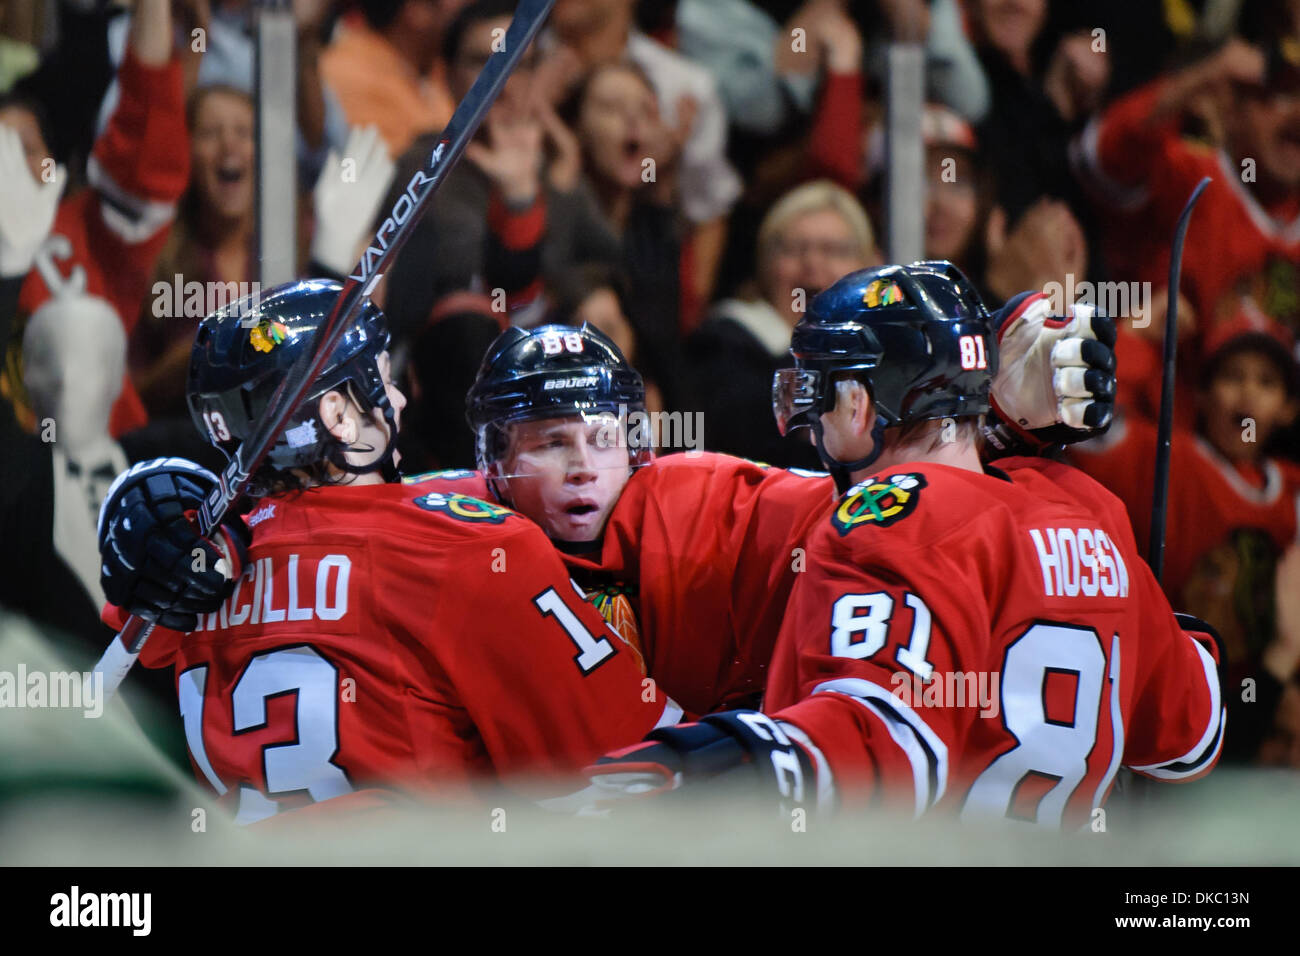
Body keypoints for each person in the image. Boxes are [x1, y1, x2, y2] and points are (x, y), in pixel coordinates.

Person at [104, 281, 1121, 726]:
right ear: (491, 459)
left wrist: (983, 420)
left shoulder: (708, 496)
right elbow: (258, 550)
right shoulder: (444, 527)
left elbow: (899, 495)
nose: (586, 468)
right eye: (548, 444)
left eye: (604, 438)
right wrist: (171, 513)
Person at [586, 262, 1224, 829]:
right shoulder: (1089, 512)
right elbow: (1194, 733)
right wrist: (1167, 628)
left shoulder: (888, 518)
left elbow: (886, 746)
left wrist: (742, 759)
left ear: (860, 404)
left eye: (819, 391)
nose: (809, 424)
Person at [97, 279, 675, 822]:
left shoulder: (189, 568)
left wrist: (143, 502)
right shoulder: (470, 549)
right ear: (338, 416)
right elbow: (639, 759)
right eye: (379, 378)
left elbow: (129, 630)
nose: (396, 399)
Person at [1069, 305, 1300, 764]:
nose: (1248, 394)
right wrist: (1137, 338)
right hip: (1169, 702)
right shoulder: (1164, 460)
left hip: (1260, 708)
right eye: (1232, 376)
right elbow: (1092, 426)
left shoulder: (1291, 493)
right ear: (1203, 394)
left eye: (1267, 382)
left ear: (1289, 409)